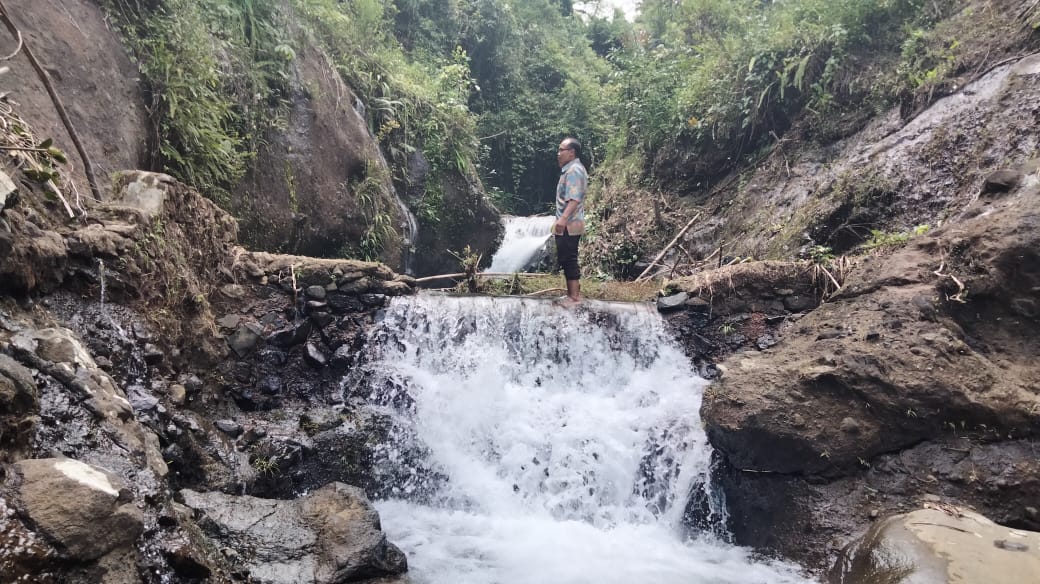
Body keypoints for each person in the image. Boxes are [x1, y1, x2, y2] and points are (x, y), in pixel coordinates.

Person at [553, 137, 587, 307]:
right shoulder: (570, 170)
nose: (558, 154)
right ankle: (572, 294)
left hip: (569, 224)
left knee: (569, 258)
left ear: (572, 152)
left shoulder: (574, 170)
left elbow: (574, 199)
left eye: (561, 150)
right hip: (567, 223)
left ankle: (573, 297)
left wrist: (563, 219)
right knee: (566, 258)